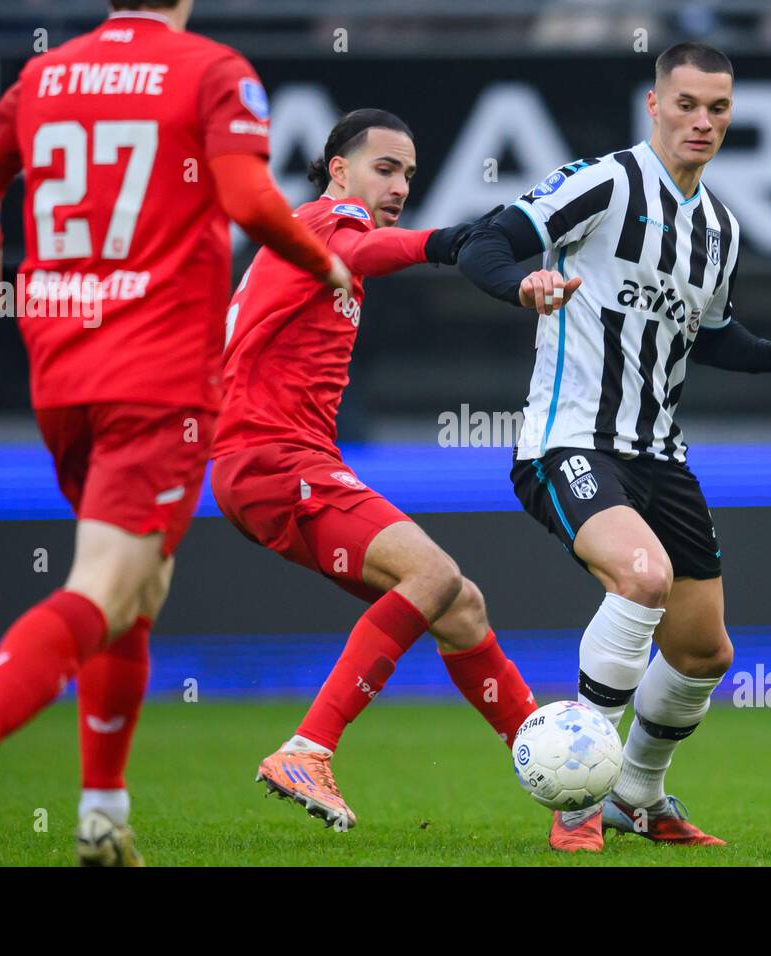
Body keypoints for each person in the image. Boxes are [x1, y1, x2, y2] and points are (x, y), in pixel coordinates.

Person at [0, 0, 351, 867]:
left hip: (62, 370)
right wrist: (323, 259)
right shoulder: (212, 70)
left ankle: (103, 817)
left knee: (140, 586)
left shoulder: (44, 73)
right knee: (110, 583)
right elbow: (250, 198)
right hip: (159, 378)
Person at [457, 42, 771, 852]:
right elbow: (482, 245)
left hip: (661, 458)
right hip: (566, 440)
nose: (702, 122)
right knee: (641, 578)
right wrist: (524, 284)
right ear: (654, 104)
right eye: (687, 104)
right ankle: (576, 801)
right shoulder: (603, 182)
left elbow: (708, 335)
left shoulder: (719, 229)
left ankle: (636, 795)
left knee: (704, 648)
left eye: (718, 109)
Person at [210, 109, 537, 830]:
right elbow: (371, 252)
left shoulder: (302, 236)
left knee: (461, 606)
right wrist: (449, 242)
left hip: (260, 464)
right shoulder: (327, 223)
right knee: (434, 574)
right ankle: (309, 747)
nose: (398, 185)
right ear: (338, 169)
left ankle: (554, 771)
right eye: (384, 168)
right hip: (276, 459)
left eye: (409, 175)